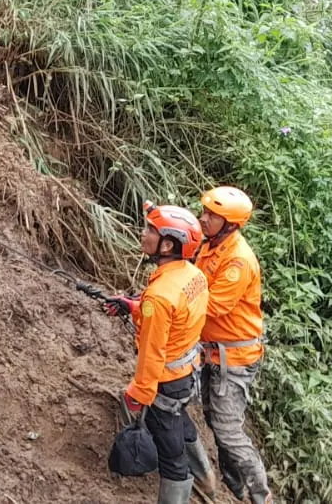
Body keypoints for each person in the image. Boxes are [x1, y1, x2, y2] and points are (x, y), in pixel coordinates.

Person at [102, 203, 211, 504]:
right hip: (187, 370)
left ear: (167, 244)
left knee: (172, 456)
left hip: (166, 380)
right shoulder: (193, 275)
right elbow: (177, 317)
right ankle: (206, 478)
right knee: (178, 421)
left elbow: (152, 352)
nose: (143, 233)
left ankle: (187, 487)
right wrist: (134, 306)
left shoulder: (159, 297)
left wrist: (139, 394)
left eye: (150, 230)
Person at [195, 186, 272, 504]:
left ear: (230, 224)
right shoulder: (210, 246)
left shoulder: (238, 260)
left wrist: (171, 301)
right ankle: (236, 486)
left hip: (235, 358)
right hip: (213, 352)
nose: (203, 218)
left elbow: (213, 305)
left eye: (211, 216)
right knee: (214, 419)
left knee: (227, 430)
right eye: (205, 212)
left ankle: (261, 496)